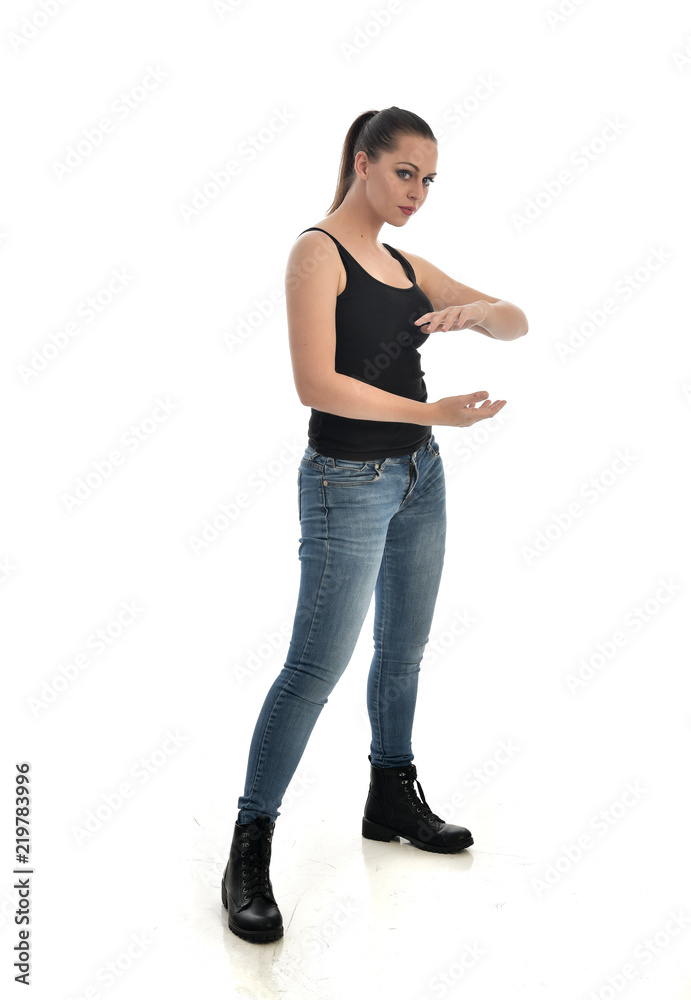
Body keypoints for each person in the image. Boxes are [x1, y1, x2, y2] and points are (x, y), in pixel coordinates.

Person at [221, 106, 529, 942]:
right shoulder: (313, 254)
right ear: (363, 162)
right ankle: (249, 846)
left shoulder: (406, 264)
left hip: (418, 477)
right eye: (404, 173)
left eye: (429, 180)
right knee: (311, 671)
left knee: (404, 650)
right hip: (344, 485)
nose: (417, 192)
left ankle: (390, 794)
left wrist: (479, 311)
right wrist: (430, 408)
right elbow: (314, 384)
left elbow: (516, 321)